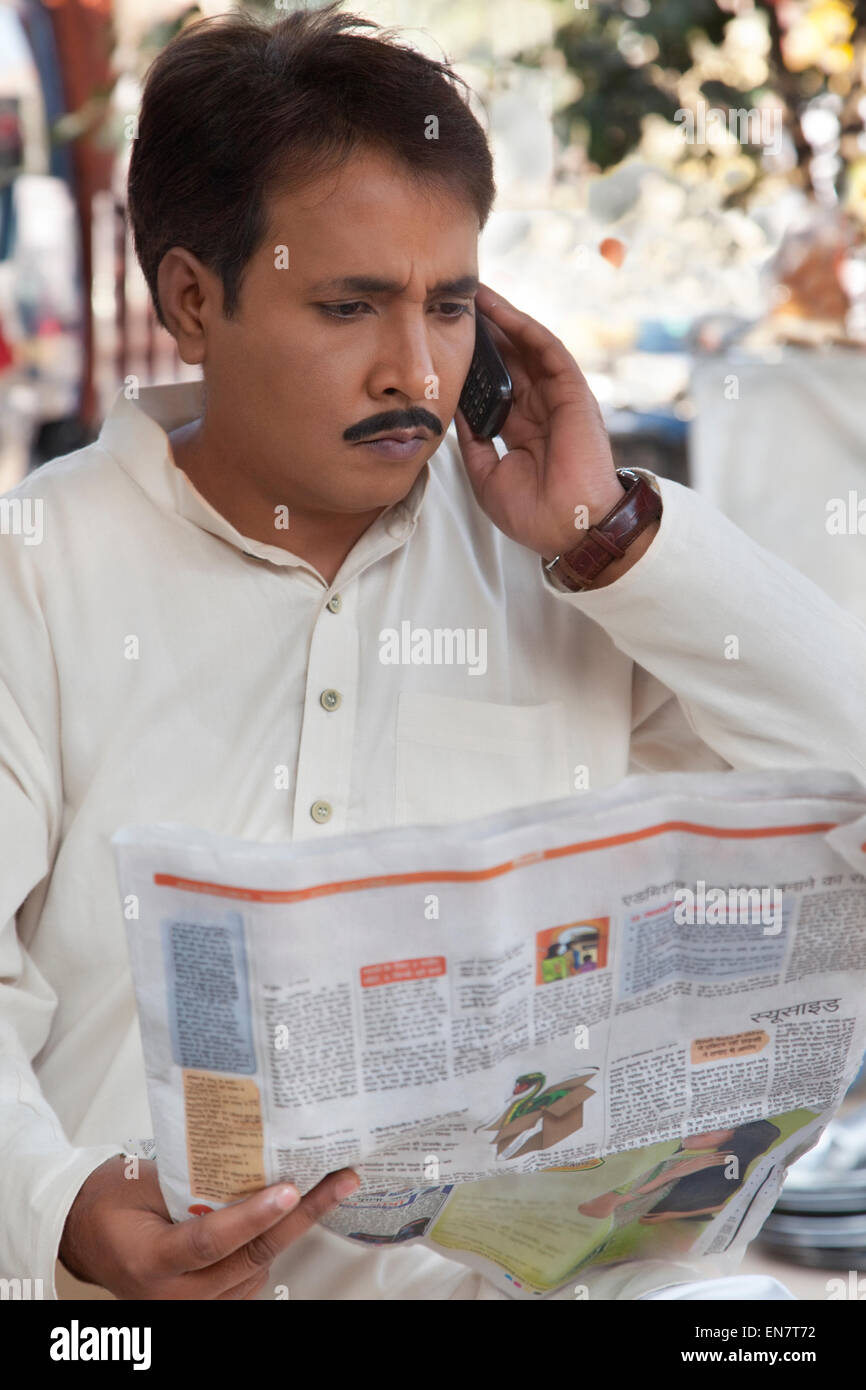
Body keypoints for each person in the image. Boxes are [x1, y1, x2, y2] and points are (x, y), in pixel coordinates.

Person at [0, 5, 863, 1303]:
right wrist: (61, 1209)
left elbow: (844, 789)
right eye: (350, 305)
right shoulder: (39, 564)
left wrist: (613, 541)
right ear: (191, 297)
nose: (412, 369)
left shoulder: (562, 561)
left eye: (448, 306)